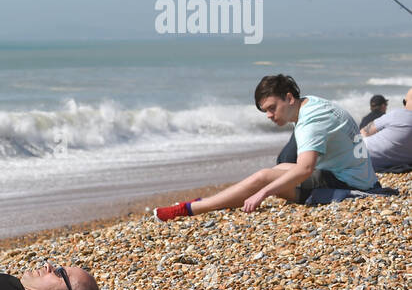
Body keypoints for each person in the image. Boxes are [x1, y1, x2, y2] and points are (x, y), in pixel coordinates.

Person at [156, 74, 378, 221]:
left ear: (289, 98)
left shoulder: (310, 122)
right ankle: (206, 203)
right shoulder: (313, 103)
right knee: (279, 170)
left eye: (272, 108)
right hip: (359, 173)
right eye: (266, 112)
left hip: (351, 183)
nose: (270, 116)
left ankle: (189, 209)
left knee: (264, 178)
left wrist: (263, 194)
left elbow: (305, 170)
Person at [360, 87, 412, 172]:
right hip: (370, 163)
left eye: (404, 102)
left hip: (361, 157)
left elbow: (363, 132)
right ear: (383, 105)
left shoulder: (397, 115)